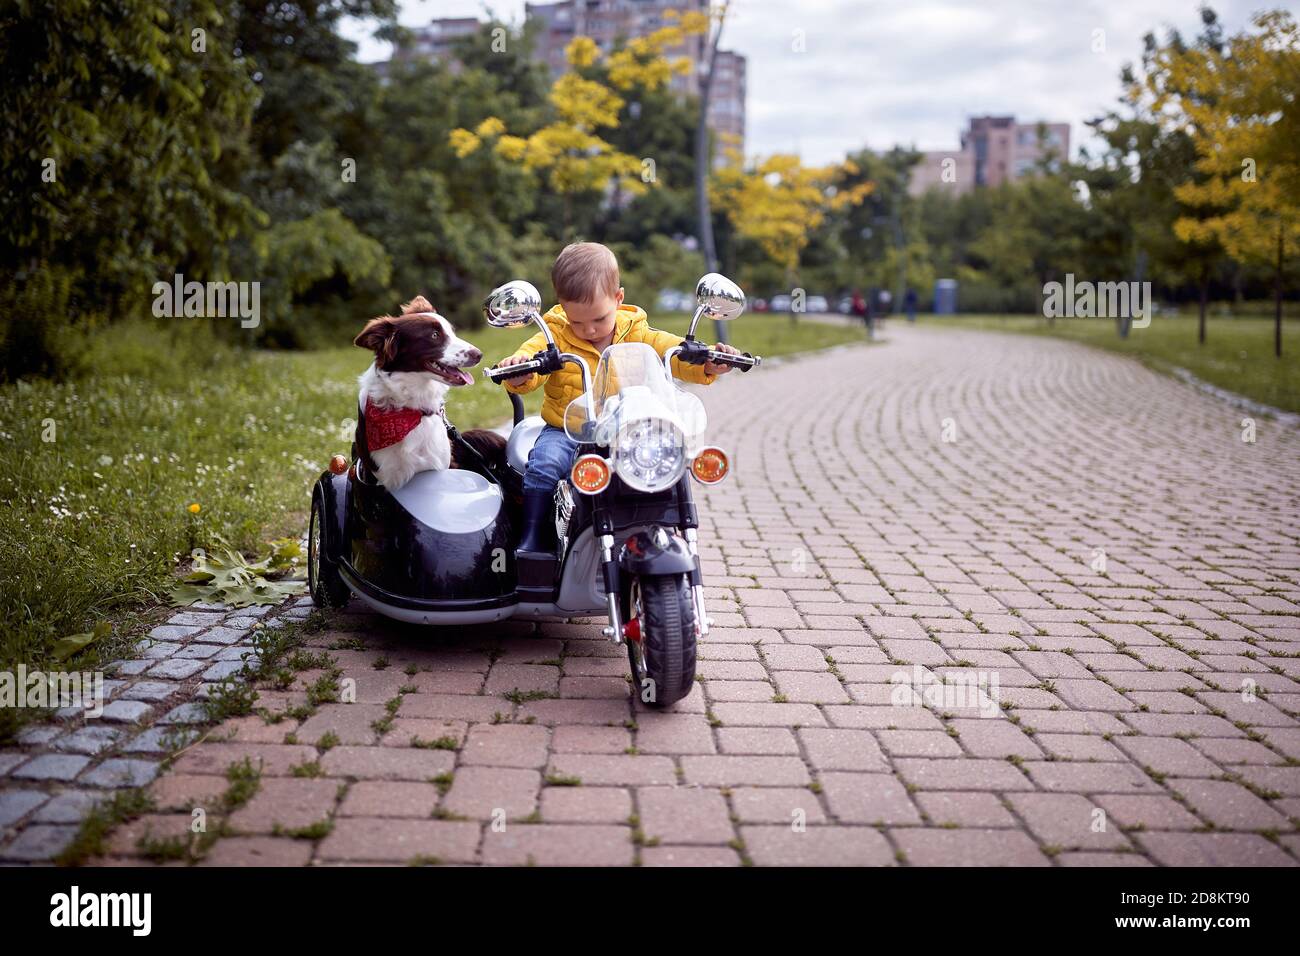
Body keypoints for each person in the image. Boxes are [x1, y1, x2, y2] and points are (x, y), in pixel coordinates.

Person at [496, 242, 741, 562]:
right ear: (563, 307)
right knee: (544, 465)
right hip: (567, 432)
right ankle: (535, 540)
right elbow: (531, 356)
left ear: (618, 299)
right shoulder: (554, 333)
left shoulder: (638, 332)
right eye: (577, 322)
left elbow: (672, 351)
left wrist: (706, 361)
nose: (588, 330)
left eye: (598, 318)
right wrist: (520, 369)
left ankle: (667, 528)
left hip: (627, 433)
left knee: (667, 464)